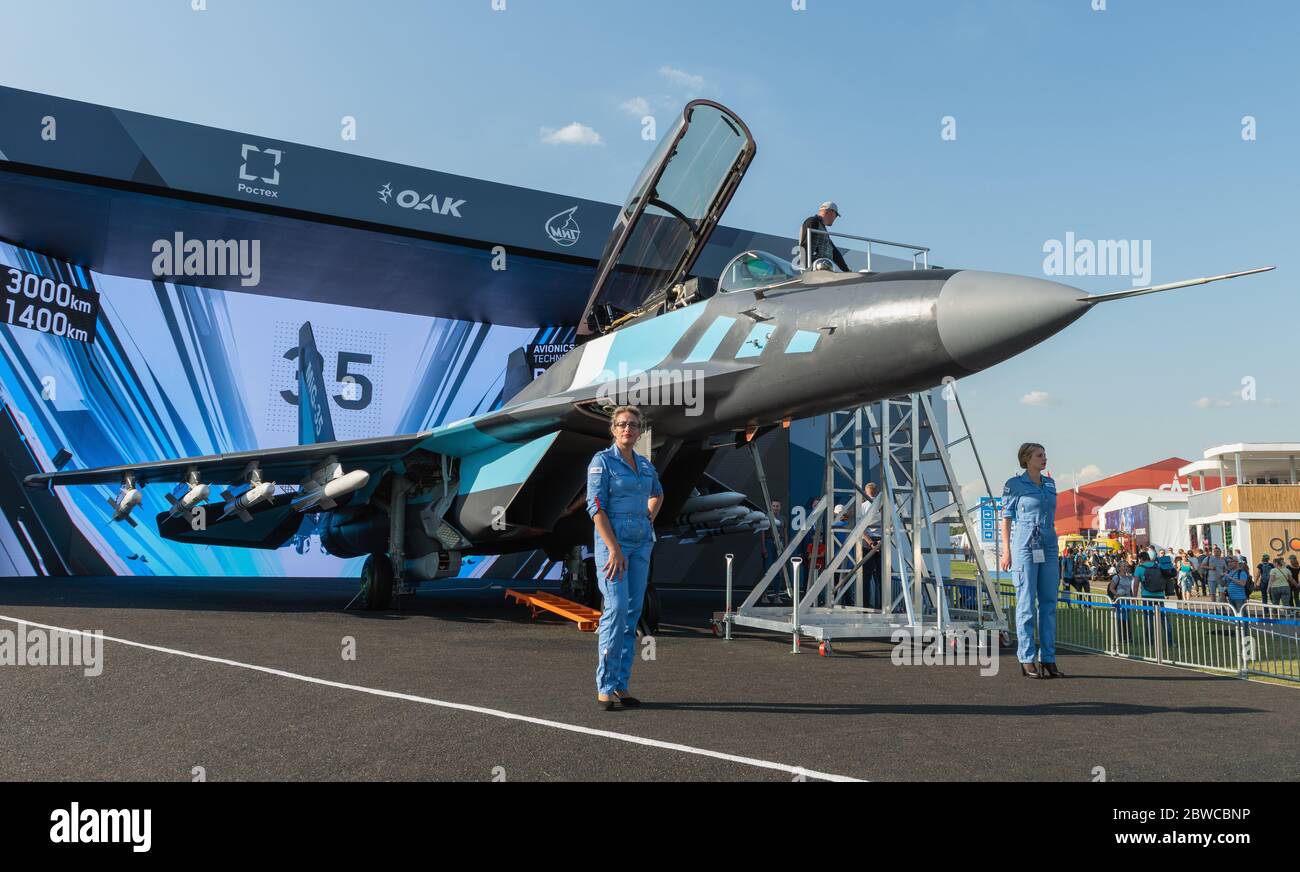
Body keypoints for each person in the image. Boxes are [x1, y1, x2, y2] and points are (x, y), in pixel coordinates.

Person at [586, 406, 663, 711]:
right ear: (613, 430)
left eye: (633, 425)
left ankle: (621, 684)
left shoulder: (644, 465)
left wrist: (649, 516)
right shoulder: (602, 463)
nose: (627, 429)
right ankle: (605, 685)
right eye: (622, 424)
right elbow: (596, 509)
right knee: (616, 609)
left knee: (632, 614)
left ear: (639, 431)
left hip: (641, 543)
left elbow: (657, 492)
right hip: (613, 546)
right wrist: (614, 548)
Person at [999, 442, 1062, 678]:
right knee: (1026, 603)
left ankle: (1048, 657)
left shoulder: (1050, 483)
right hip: (1025, 544)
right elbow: (1006, 519)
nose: (1044, 459)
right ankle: (1026, 657)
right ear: (1026, 459)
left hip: (1049, 543)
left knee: (1048, 604)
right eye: (1039, 455)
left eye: (1045, 455)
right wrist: (1007, 551)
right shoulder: (1014, 485)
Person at [799, 201, 852, 272]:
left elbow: (834, 251)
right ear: (831, 212)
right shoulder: (813, 221)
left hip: (823, 269)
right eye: (836, 216)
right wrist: (806, 270)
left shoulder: (822, 228)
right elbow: (805, 244)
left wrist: (846, 270)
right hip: (815, 269)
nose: (835, 219)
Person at [860, 482, 883, 609]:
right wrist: (880, 542)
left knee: (866, 577)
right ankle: (883, 606)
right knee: (882, 577)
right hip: (881, 542)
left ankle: (865, 606)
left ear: (865, 491)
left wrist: (870, 543)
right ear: (877, 491)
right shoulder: (884, 506)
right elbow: (890, 526)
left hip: (867, 544)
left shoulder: (862, 507)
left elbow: (860, 528)